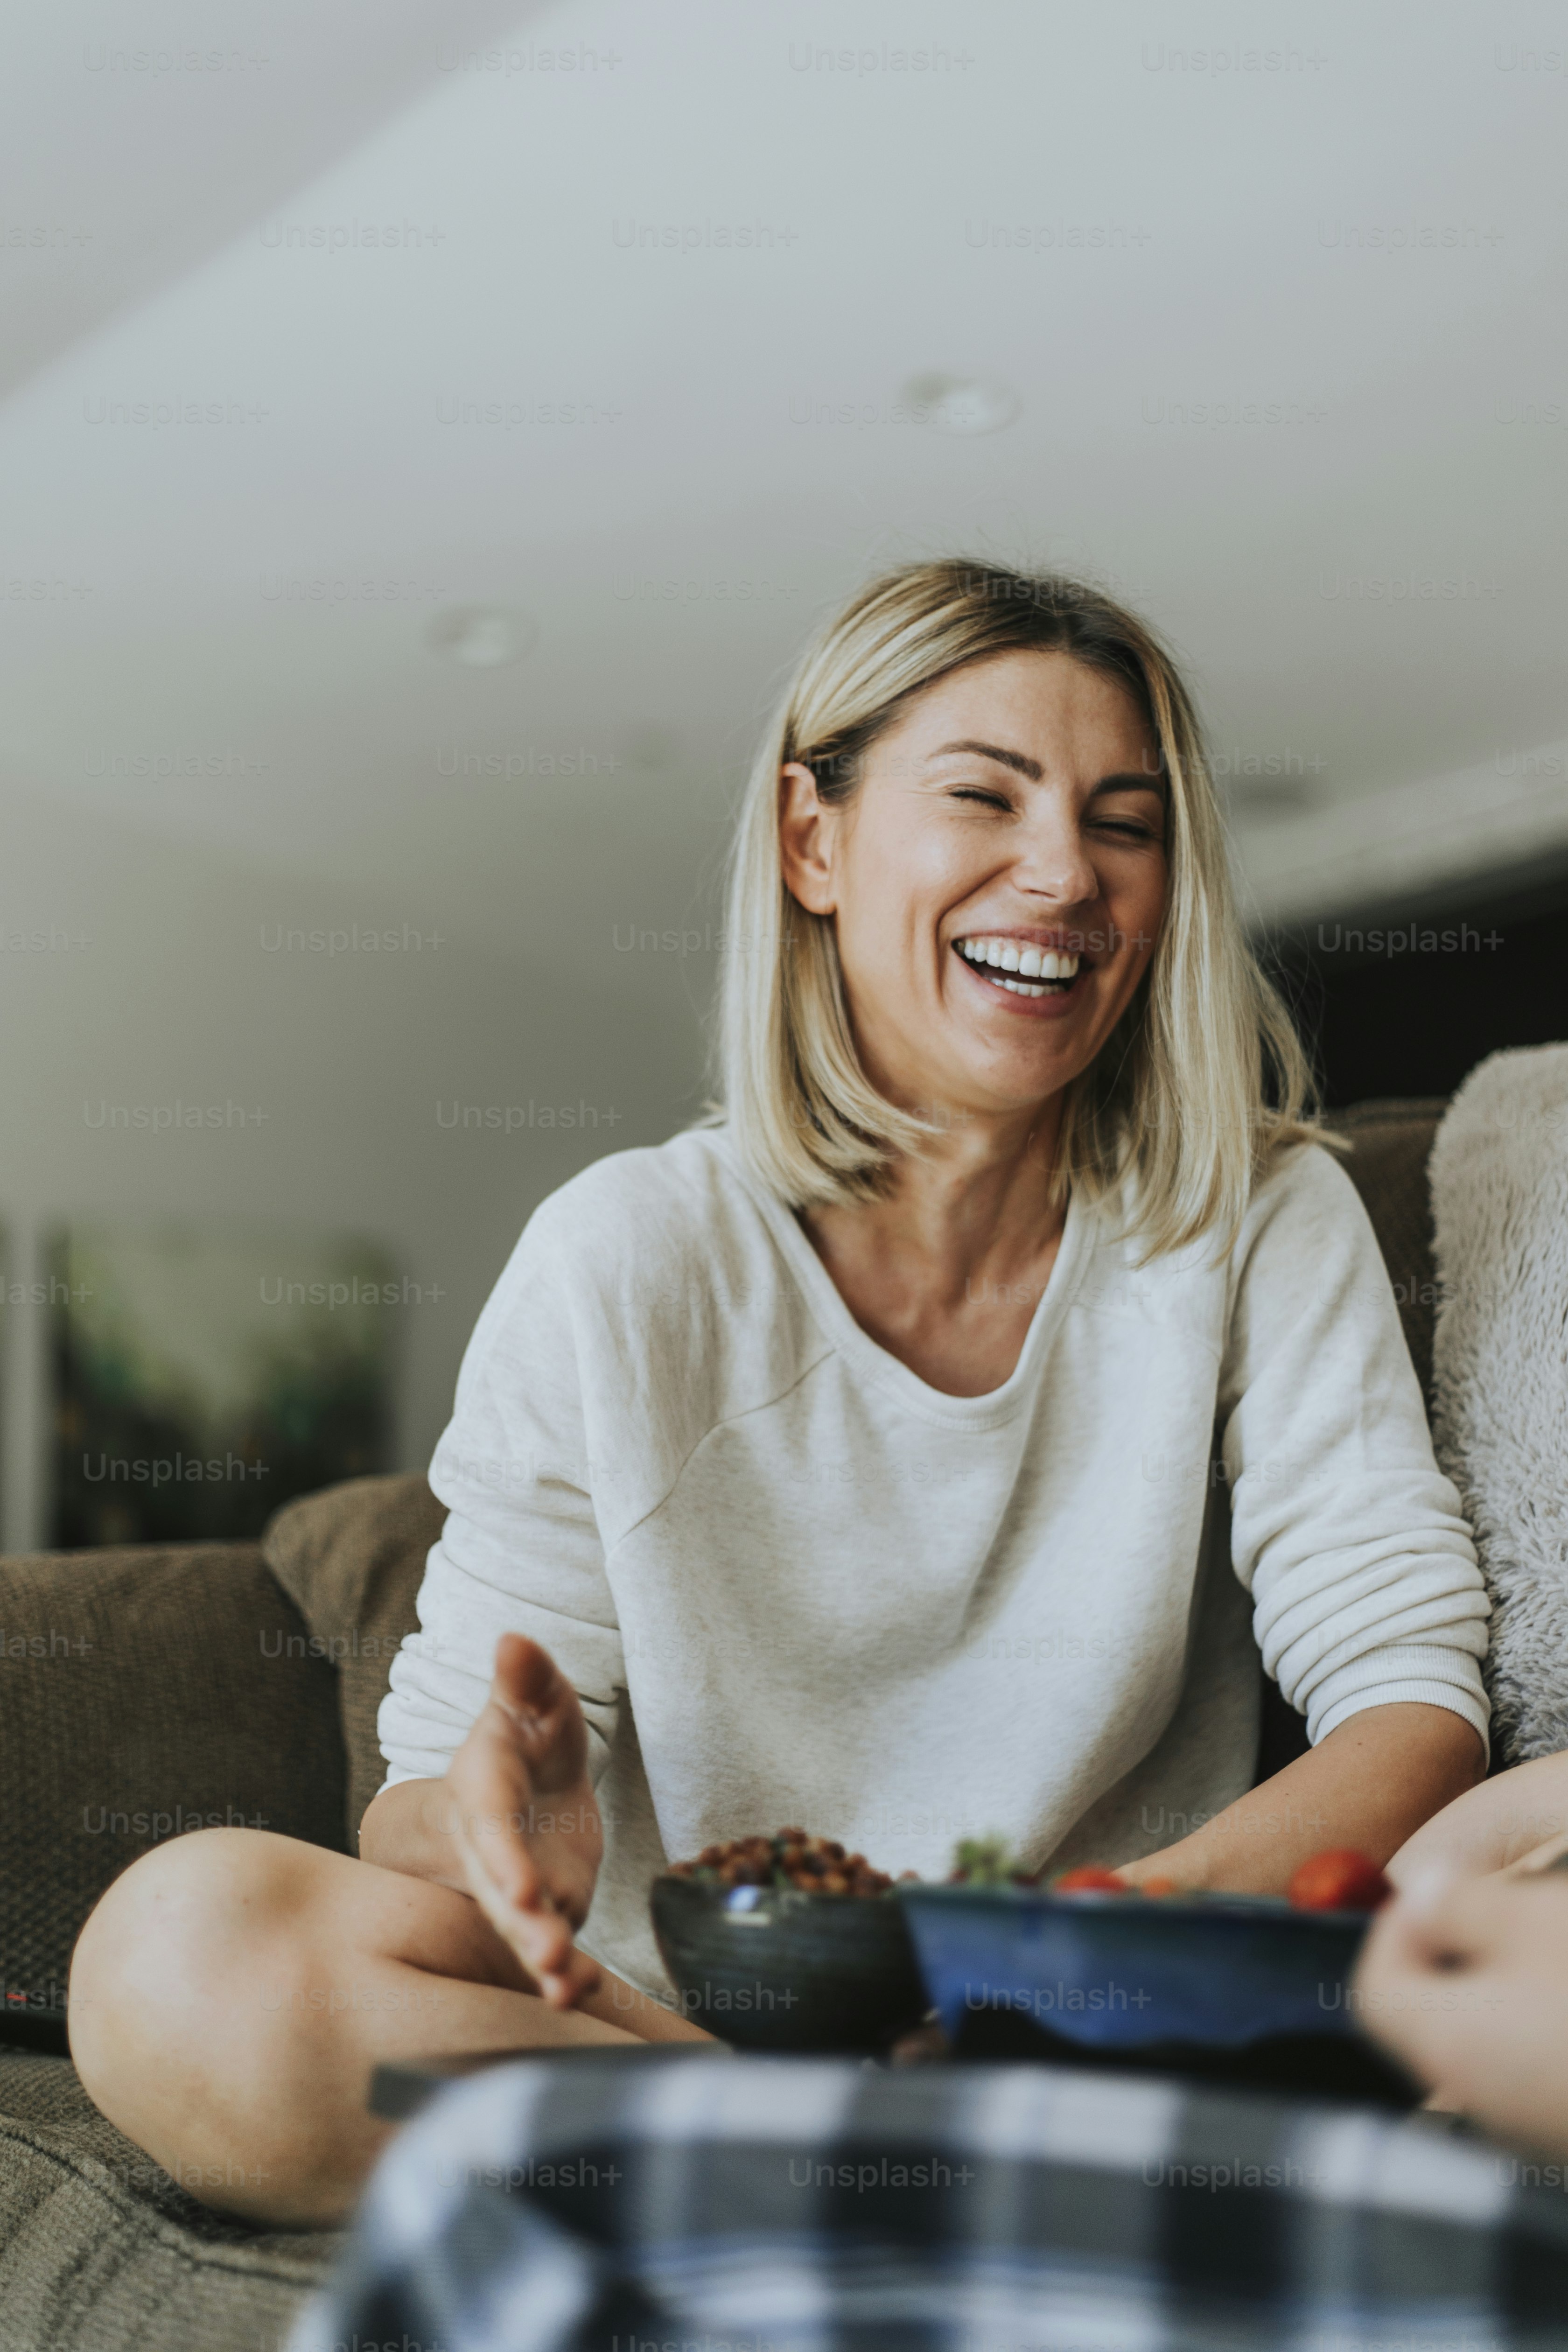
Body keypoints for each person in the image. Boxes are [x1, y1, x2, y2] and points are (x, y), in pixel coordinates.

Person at [68, 558, 1490, 2227]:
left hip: (1100, 2024)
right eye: (986, 796)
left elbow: (1412, 1690)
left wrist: (1060, 1953)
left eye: (1127, 821)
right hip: (666, 2040)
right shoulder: (629, 1252)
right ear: (813, 841)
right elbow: (431, 1812)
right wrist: (507, 1824)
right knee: (175, 1948)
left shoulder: (1257, 1217)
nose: (1066, 874)